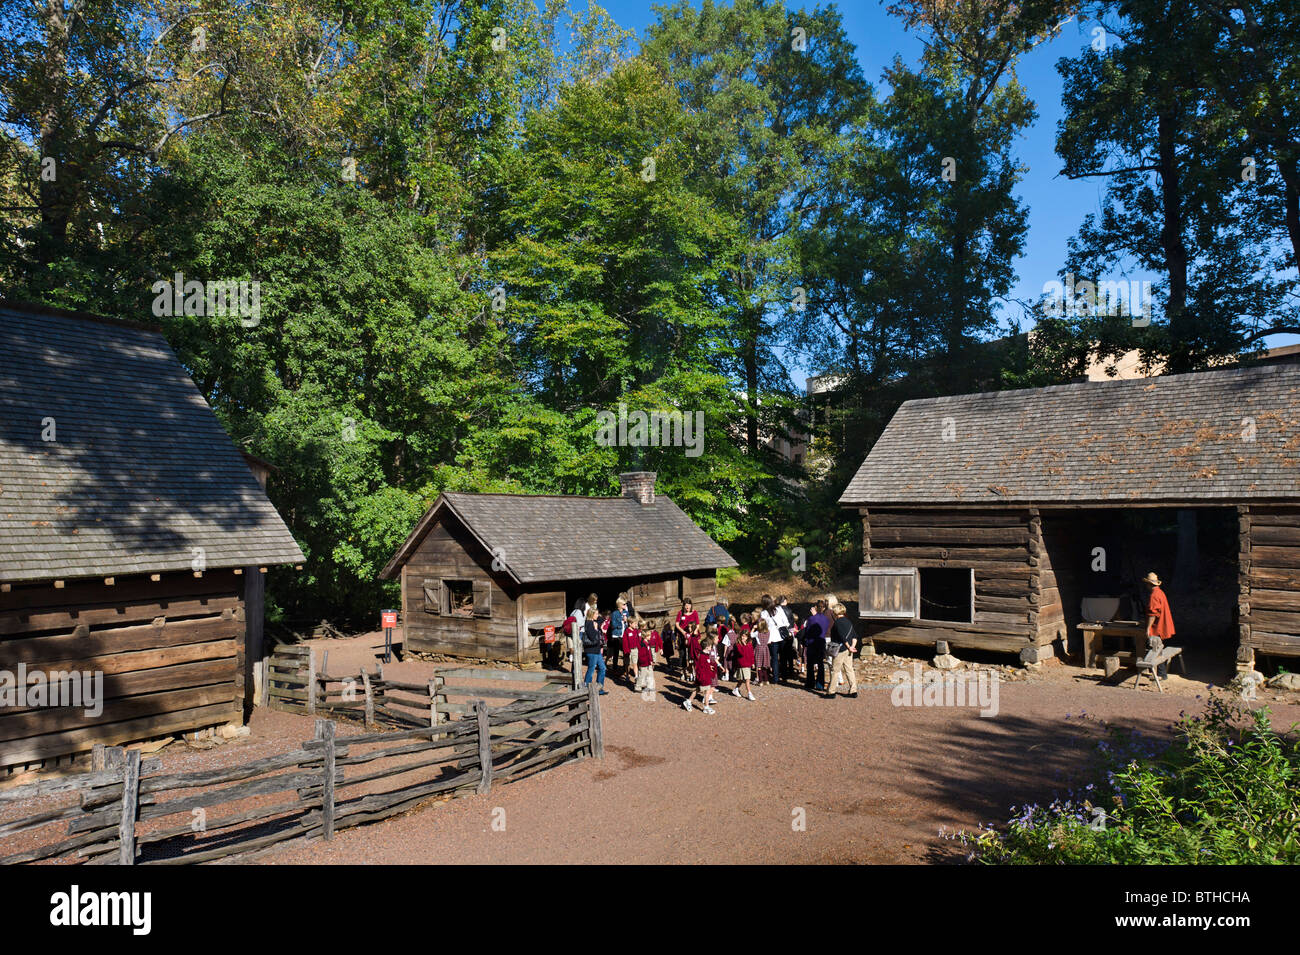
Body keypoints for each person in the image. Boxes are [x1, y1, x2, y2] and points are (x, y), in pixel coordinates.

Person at [1142, 571, 1176, 679]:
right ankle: (1161, 673)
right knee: (1158, 649)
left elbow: (1153, 614)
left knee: (1156, 649)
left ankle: (1161, 674)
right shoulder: (1160, 592)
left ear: (1149, 584)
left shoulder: (1154, 595)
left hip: (1158, 627)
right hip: (1161, 625)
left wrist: (1148, 628)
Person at [825, 603, 860, 699]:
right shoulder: (848, 622)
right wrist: (852, 647)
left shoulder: (837, 623)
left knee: (835, 671)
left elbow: (842, 637)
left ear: (835, 612)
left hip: (840, 650)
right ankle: (853, 691)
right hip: (848, 651)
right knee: (849, 670)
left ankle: (831, 692)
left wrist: (849, 647)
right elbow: (854, 636)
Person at [683, 634, 719, 714]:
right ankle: (706, 707)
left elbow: (704, 666)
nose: (711, 648)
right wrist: (702, 677)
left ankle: (688, 701)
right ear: (707, 647)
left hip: (704, 677)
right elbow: (699, 668)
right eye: (710, 647)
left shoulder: (704, 655)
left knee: (697, 690)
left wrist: (709, 667)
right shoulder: (703, 657)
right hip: (704, 678)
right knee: (707, 692)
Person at [804, 600, 830, 691]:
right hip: (821, 641)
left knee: (810, 664)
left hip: (812, 642)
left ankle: (810, 683)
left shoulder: (811, 619)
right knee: (820, 664)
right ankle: (820, 684)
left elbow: (807, 631)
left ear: (816, 607)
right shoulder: (826, 619)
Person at [581, 607, 608, 694]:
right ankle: (586, 687)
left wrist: (597, 614)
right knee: (591, 669)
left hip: (596, 650)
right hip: (591, 650)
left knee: (602, 668)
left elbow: (601, 619)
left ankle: (599, 688)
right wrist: (596, 629)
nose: (597, 615)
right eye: (596, 614)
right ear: (592, 615)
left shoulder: (594, 621)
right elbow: (592, 637)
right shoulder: (589, 623)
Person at [673, 599, 700, 677]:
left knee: (692, 654)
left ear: (691, 605)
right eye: (685, 605)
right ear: (683, 606)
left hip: (692, 637)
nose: (687, 606)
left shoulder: (694, 613)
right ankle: (684, 671)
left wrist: (695, 631)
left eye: (688, 605)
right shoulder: (680, 613)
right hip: (683, 636)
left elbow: (698, 624)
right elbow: (677, 624)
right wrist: (683, 632)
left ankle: (692, 671)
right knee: (683, 654)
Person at [731, 625, 757, 701]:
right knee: (747, 679)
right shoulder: (738, 645)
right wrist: (744, 645)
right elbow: (741, 653)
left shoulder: (749, 644)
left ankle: (736, 689)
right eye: (742, 636)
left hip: (748, 664)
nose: (743, 638)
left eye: (745, 637)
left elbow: (751, 654)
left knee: (741, 679)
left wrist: (752, 663)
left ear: (748, 637)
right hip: (742, 664)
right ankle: (749, 693)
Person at [635, 621, 661, 694]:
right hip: (644, 663)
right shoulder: (642, 645)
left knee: (650, 674)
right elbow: (642, 655)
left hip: (649, 662)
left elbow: (649, 654)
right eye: (649, 636)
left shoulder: (647, 644)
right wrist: (646, 662)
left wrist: (651, 660)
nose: (651, 636)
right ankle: (637, 686)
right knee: (642, 675)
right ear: (645, 637)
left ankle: (650, 686)